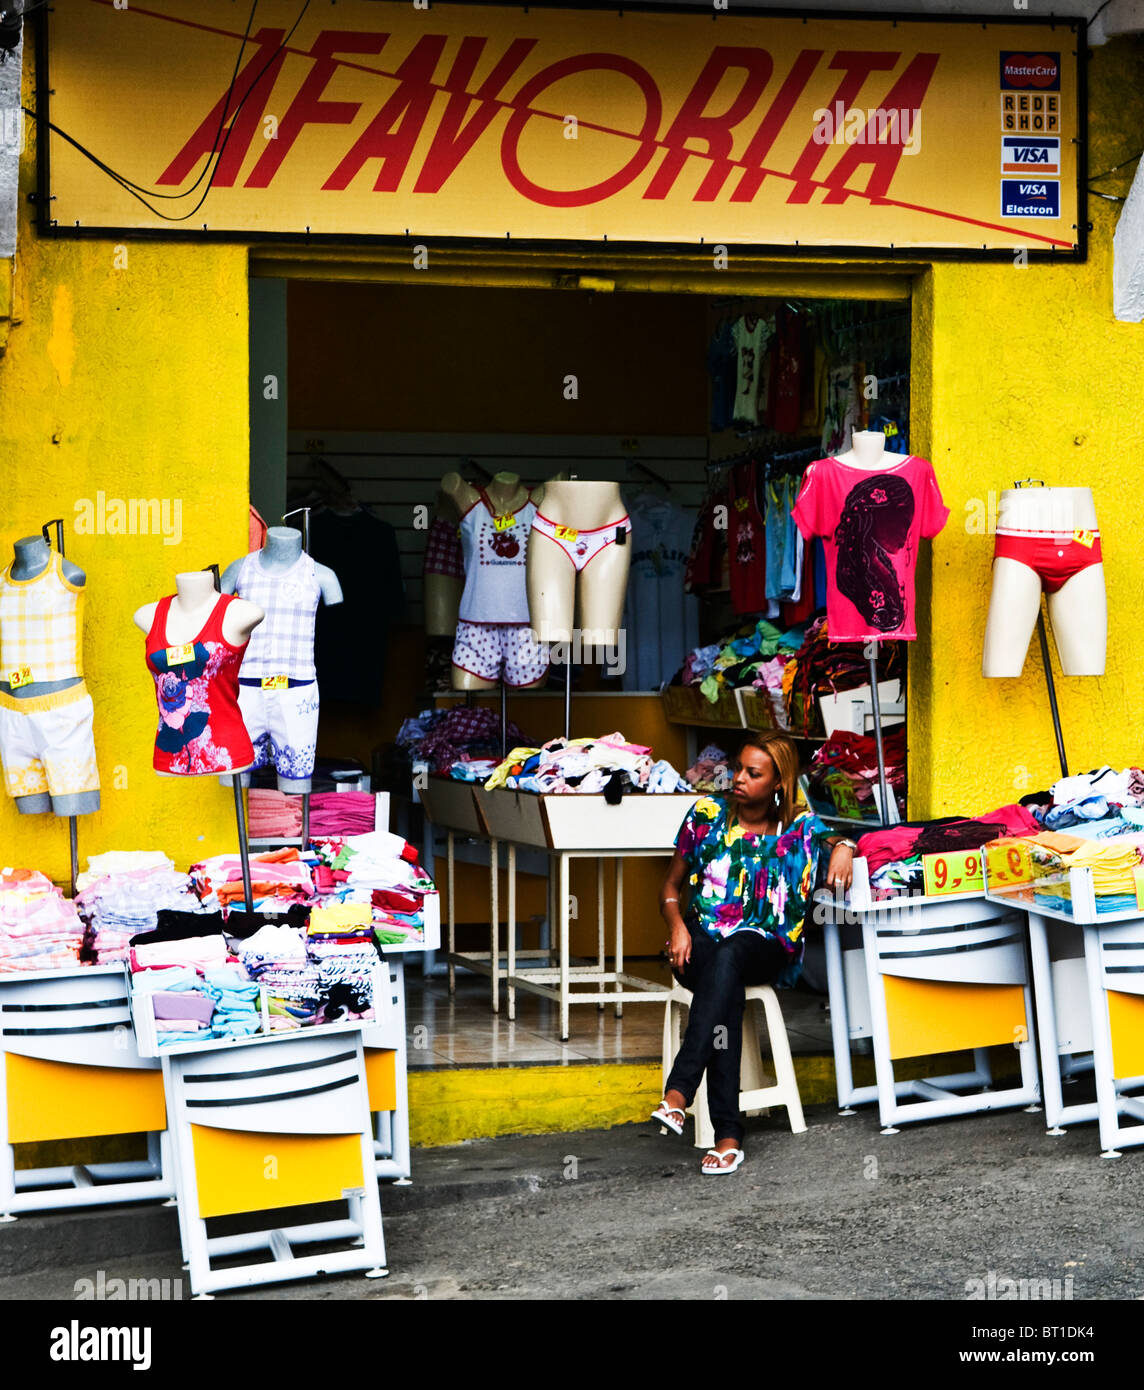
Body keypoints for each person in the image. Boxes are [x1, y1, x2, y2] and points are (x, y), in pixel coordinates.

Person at [652, 731, 855, 1174]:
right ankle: (728, 1134)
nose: (737, 778)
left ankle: (678, 1094)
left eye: (752, 773)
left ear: (778, 783)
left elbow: (837, 839)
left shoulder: (798, 829)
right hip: (701, 942)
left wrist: (844, 848)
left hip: (766, 944)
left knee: (731, 960)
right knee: (722, 976)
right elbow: (670, 886)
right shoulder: (705, 816)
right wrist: (678, 927)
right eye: (739, 768)